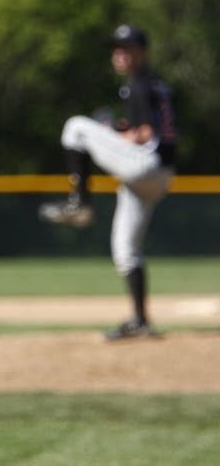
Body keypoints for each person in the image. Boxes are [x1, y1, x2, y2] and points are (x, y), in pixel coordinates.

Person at [39, 24, 177, 341]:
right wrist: (120, 130)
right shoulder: (158, 85)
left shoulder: (138, 84)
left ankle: (80, 202)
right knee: (126, 250)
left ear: (142, 52)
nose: (119, 54)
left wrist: (113, 131)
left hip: (144, 165)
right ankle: (141, 321)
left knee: (76, 128)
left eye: (126, 48)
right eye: (117, 48)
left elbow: (144, 135)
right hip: (159, 176)